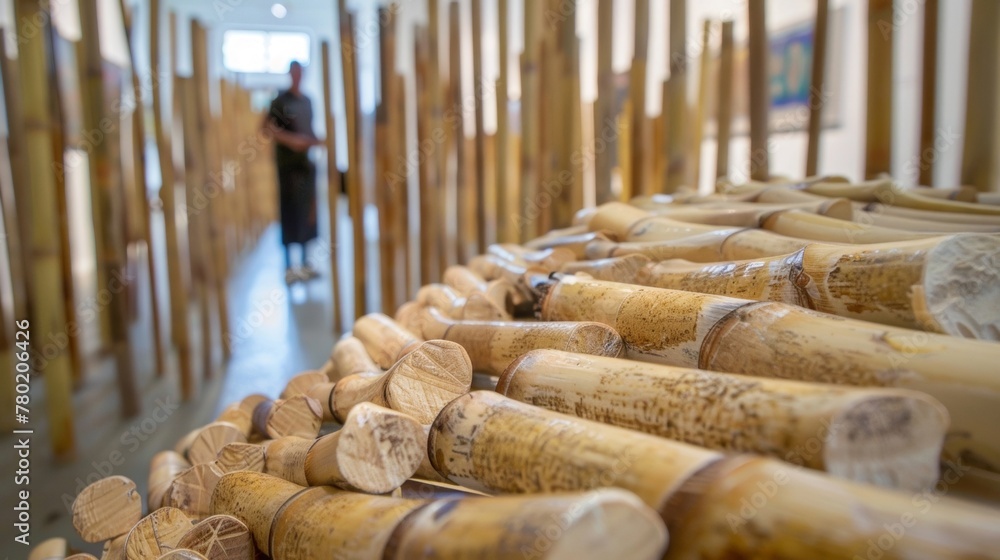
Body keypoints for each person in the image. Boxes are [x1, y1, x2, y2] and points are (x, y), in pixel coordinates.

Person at [263, 61, 325, 284]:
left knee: (308, 212)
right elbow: (266, 128)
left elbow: (309, 130)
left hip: (306, 164)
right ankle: (290, 266)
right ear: (290, 74)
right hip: (288, 166)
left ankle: (307, 263)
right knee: (289, 212)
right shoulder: (280, 101)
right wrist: (292, 141)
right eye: (294, 73)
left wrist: (316, 141)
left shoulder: (307, 101)